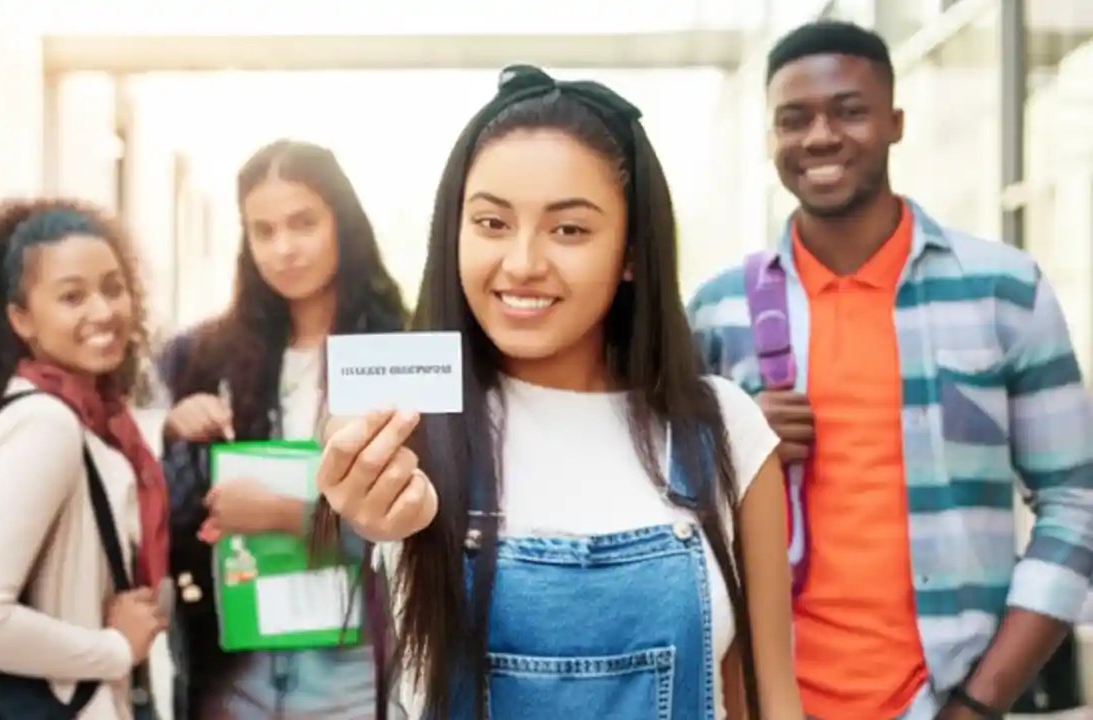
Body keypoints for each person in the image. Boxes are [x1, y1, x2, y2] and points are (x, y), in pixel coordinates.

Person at [314, 65, 804, 719]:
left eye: (568, 229)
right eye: (491, 223)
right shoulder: (409, 418)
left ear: (631, 252)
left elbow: (770, 697)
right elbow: (357, 484)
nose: (521, 263)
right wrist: (369, 512)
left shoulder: (724, 428)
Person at [686, 20, 1093, 720]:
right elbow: (667, 510)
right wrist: (732, 452)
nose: (820, 137)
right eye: (794, 119)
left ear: (895, 122)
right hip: (768, 703)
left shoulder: (1003, 290)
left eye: (849, 110)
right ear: (770, 138)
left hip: (945, 699)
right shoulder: (719, 312)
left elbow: (1078, 503)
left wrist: (980, 701)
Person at [157, 139, 409, 719]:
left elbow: (421, 529)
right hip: (234, 671)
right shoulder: (204, 357)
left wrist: (284, 514)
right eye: (263, 231)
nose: (284, 249)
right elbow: (163, 519)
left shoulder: (397, 354)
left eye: (303, 224)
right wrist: (177, 434)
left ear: (341, 224)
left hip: (352, 669)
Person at [0, 198, 171, 719]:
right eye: (72, 297)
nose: (103, 312)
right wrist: (114, 648)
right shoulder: (47, 426)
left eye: (113, 287)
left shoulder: (87, 417)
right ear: (22, 319)